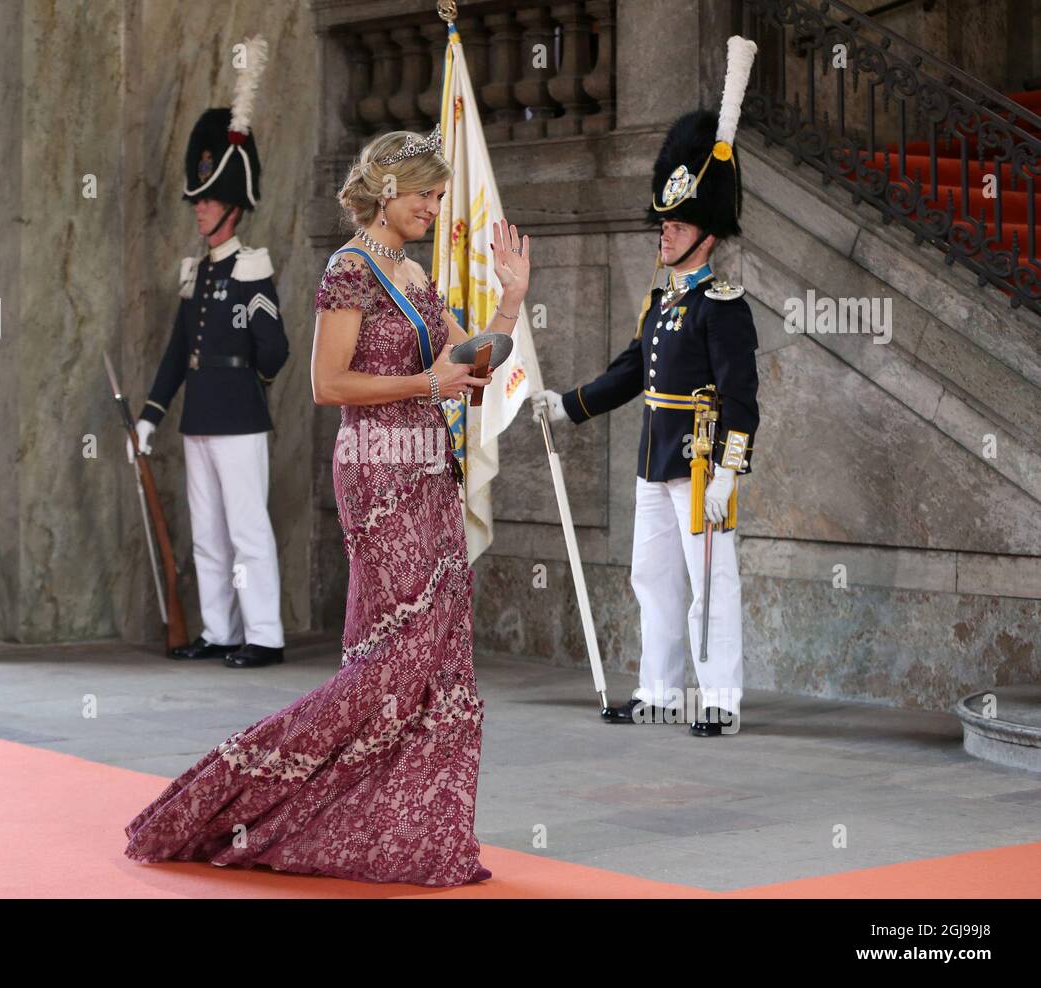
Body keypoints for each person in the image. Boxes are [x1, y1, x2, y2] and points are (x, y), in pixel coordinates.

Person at [124, 125, 531, 886]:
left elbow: (470, 362)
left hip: (430, 473)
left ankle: (410, 831)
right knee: (395, 654)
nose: (434, 209)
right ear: (387, 190)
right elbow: (327, 384)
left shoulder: (413, 274)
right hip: (377, 474)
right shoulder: (349, 270)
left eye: (440, 197)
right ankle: (237, 795)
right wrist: (428, 384)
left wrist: (509, 303)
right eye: (425, 195)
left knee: (439, 654)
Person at [531, 37, 761, 737]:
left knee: (710, 581)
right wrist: (569, 406)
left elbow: (742, 397)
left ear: (707, 236)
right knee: (652, 578)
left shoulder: (723, 306)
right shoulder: (662, 301)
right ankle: (660, 690)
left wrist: (729, 471)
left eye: (678, 225)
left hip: (700, 463)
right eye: (664, 224)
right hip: (654, 456)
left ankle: (719, 699)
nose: (665, 234)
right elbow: (633, 371)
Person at [128, 95, 289, 670]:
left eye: (209, 200)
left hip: (239, 418)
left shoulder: (251, 268)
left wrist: (251, 381)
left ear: (232, 209)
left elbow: (276, 349)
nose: (199, 209)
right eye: (197, 200)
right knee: (208, 535)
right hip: (198, 417)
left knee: (247, 530)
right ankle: (220, 630)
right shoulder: (196, 273)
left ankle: (264, 635)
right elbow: (178, 352)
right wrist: (150, 416)